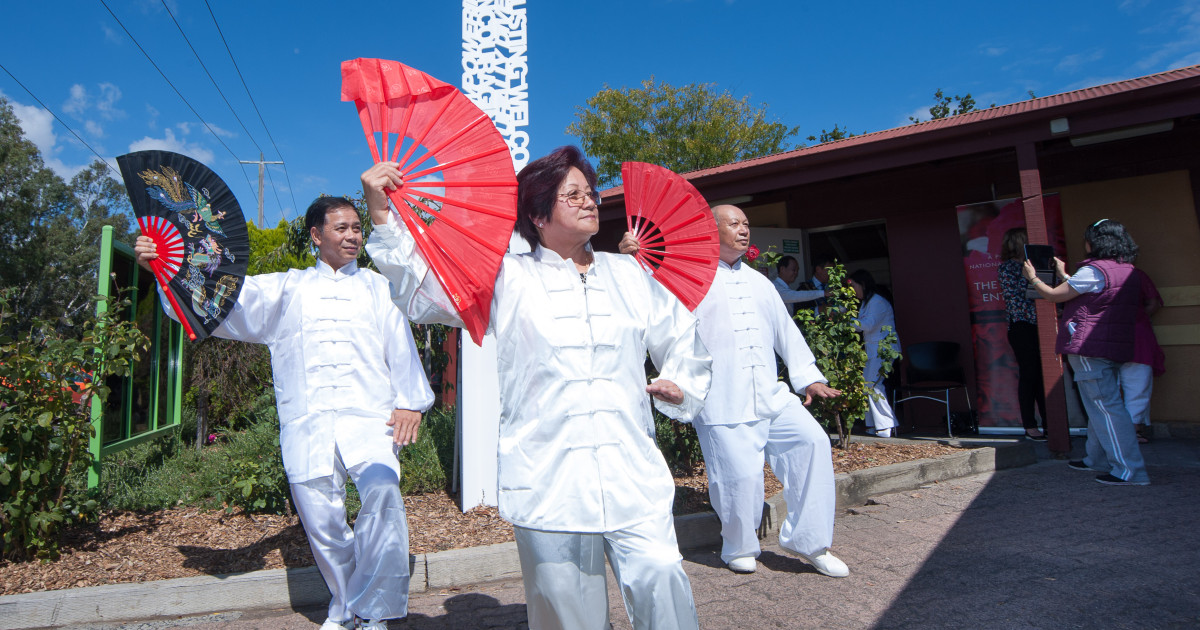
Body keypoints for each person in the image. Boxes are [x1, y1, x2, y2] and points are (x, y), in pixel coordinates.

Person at [362, 146, 711, 630]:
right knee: (563, 605)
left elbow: (681, 336)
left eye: (591, 193)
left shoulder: (629, 274)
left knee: (661, 576)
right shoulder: (507, 278)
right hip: (549, 476)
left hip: (631, 468)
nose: (590, 202)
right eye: (573, 195)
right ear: (538, 213)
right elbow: (425, 290)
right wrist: (383, 218)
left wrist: (678, 379)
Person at [135, 197, 435, 630]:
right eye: (342, 228)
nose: (353, 236)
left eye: (357, 228)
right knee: (322, 522)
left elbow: (400, 344)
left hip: (370, 419)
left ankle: (376, 612)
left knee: (384, 495)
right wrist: (164, 271)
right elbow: (219, 301)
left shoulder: (377, 286)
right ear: (316, 235)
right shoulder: (284, 287)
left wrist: (409, 400)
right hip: (307, 422)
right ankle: (347, 606)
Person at [622, 204, 846, 578]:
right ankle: (739, 546)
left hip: (771, 396)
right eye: (734, 224)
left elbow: (785, 333)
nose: (744, 230)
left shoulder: (761, 283)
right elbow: (653, 308)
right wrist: (633, 261)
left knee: (812, 443)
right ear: (712, 231)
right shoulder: (688, 277)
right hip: (722, 397)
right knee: (738, 478)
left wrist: (808, 378)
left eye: (746, 224)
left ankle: (811, 541)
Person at [1023, 218, 1150, 486]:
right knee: (1100, 406)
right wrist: (1065, 273)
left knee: (1107, 409)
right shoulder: (1126, 270)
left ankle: (1129, 470)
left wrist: (1032, 277)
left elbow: (1055, 295)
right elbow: (1091, 293)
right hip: (1112, 346)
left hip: (1088, 348)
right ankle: (1096, 459)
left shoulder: (1094, 270)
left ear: (1096, 241)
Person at [997, 228, 1048, 440]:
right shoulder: (1008, 268)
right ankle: (1029, 424)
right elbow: (1017, 298)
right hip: (1022, 325)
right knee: (1030, 375)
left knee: (1045, 377)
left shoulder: (1035, 267)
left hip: (1041, 326)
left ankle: (1050, 421)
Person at [848, 269, 900, 438]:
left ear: (862, 284)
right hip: (873, 350)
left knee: (873, 385)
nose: (852, 291)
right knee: (867, 386)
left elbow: (868, 325)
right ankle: (873, 425)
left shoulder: (877, 302)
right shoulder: (866, 302)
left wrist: (845, 320)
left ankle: (886, 425)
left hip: (883, 349)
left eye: (854, 286)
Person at [1124, 267, 1166, 443]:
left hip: (1125, 335)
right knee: (1137, 383)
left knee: (1131, 383)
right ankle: (1133, 428)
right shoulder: (1136, 274)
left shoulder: (1096, 273)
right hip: (1134, 334)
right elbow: (1153, 303)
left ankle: (1132, 429)